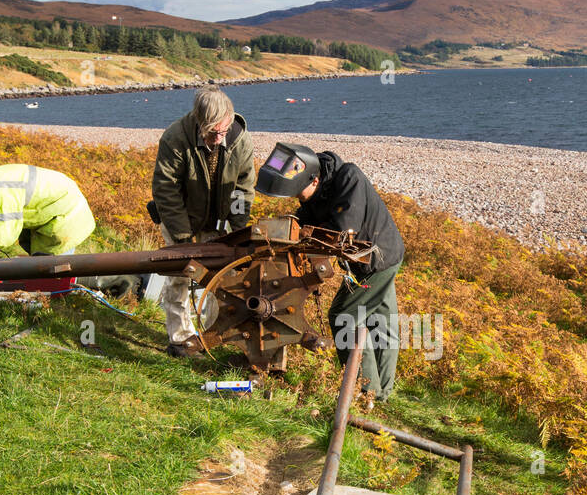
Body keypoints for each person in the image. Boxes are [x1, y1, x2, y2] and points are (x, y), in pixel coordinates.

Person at [256, 142, 404, 405]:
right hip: (368, 260)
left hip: (377, 260)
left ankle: (363, 390)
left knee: (343, 315)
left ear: (314, 179)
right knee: (382, 324)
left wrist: (306, 234)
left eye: (300, 193)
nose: (300, 198)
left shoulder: (349, 178)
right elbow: (305, 218)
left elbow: (342, 231)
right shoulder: (318, 190)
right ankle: (380, 395)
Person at [151, 88, 255, 357]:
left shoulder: (240, 140)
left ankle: (213, 336)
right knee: (179, 278)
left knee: (219, 279)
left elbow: (242, 188)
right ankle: (181, 339)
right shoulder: (175, 138)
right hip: (179, 218)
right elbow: (165, 189)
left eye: (224, 131)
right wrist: (183, 238)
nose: (219, 139)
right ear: (199, 121)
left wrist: (239, 227)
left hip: (216, 223)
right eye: (213, 133)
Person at [0, 162, 95, 258]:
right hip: (60, 209)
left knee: (53, 272)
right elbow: (1, 213)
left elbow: (2, 237)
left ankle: (109, 280)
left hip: (67, 216)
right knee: (44, 269)